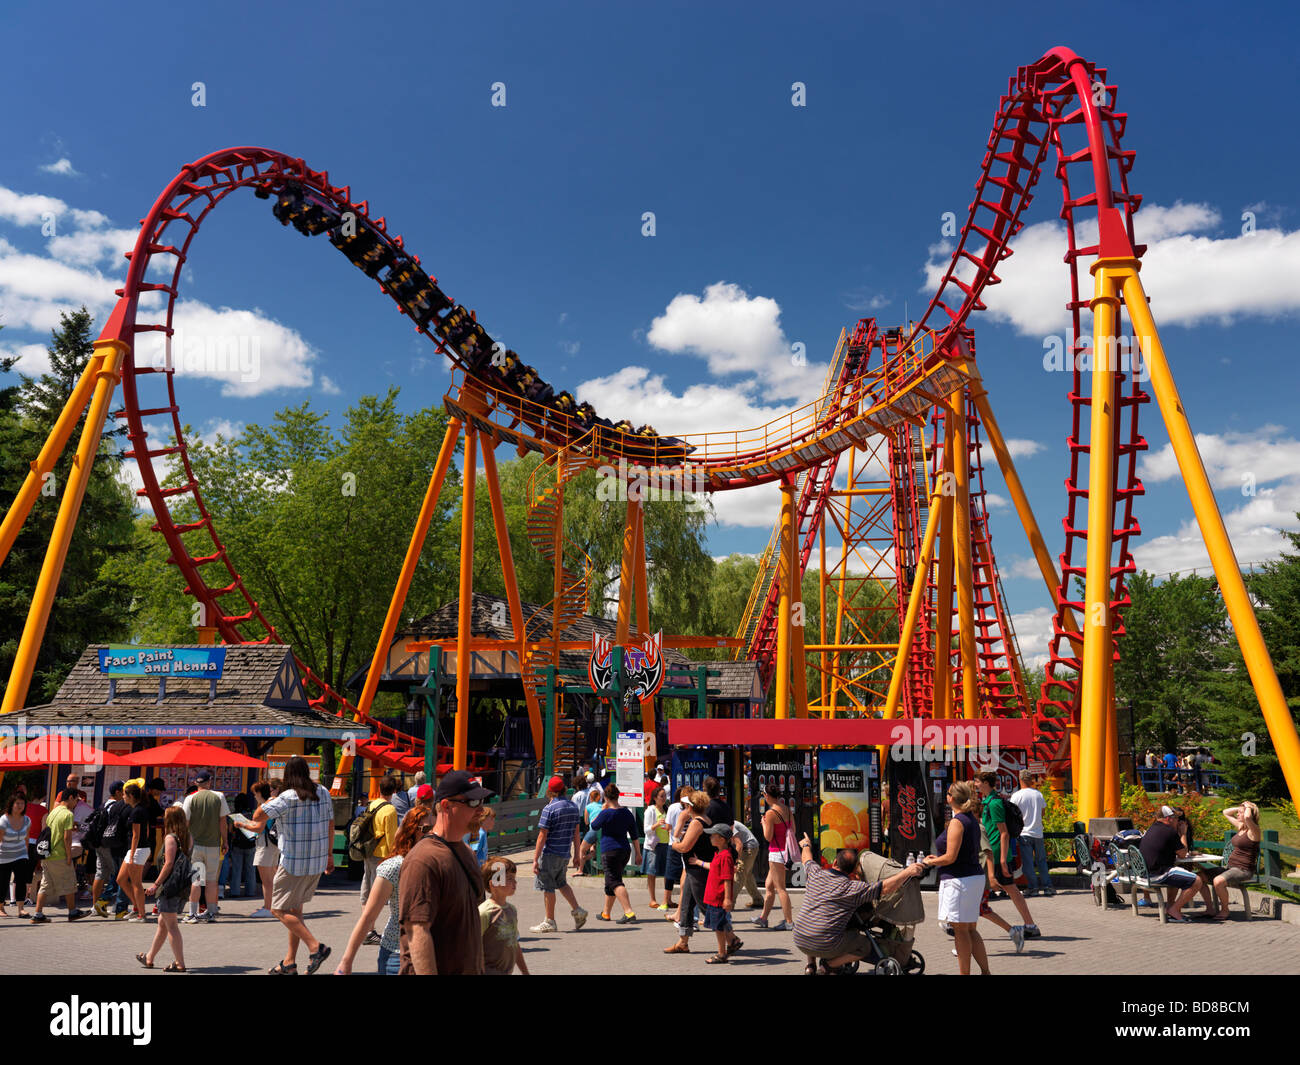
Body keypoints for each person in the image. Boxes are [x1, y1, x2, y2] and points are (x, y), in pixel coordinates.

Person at [244, 756, 335, 974]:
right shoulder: (322, 791)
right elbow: (331, 823)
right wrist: (330, 855)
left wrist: (270, 798)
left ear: (288, 775)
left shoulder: (287, 797)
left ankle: (316, 947)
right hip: (316, 861)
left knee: (277, 908)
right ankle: (289, 962)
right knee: (295, 911)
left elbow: (258, 816)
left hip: (293, 862)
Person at [399, 770, 492, 974]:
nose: (481, 810)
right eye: (473, 803)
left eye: (481, 802)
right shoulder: (423, 860)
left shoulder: (466, 852)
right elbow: (417, 930)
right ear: (446, 806)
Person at [795, 833, 924, 975]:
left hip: (800, 938)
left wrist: (806, 844)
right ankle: (828, 966)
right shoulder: (853, 888)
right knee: (865, 947)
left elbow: (807, 859)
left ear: (835, 863)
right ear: (853, 870)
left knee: (813, 920)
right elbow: (886, 887)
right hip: (825, 944)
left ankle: (810, 966)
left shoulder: (815, 874)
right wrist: (907, 872)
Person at [336, 805, 433, 974]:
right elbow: (368, 917)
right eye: (425, 829)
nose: (431, 834)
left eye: (434, 829)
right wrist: (346, 962)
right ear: (411, 831)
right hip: (397, 953)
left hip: (433, 952)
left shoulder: (440, 862)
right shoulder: (394, 866)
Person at [923, 781, 988, 975]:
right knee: (970, 929)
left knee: (960, 931)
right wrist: (939, 859)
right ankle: (985, 972)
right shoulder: (971, 820)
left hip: (960, 880)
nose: (946, 796)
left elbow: (951, 857)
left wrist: (930, 862)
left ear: (952, 798)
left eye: (948, 793)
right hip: (973, 877)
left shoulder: (957, 822)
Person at [975, 771, 1040, 937]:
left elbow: (1003, 833)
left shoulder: (994, 804)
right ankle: (1030, 925)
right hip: (995, 854)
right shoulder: (989, 802)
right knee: (1010, 890)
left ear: (985, 783)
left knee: (1005, 890)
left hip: (996, 854)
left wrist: (1003, 860)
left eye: (977, 781)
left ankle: (962, 928)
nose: (975, 784)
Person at [529, 775, 588, 933]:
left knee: (548, 886)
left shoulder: (549, 809)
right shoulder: (573, 807)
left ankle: (550, 920)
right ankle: (578, 910)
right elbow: (576, 833)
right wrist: (576, 854)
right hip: (564, 853)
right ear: (564, 789)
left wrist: (535, 859)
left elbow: (542, 836)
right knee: (561, 883)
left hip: (550, 853)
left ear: (550, 791)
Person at [138, 806, 193, 972]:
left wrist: (155, 884)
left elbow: (169, 863)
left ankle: (180, 963)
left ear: (170, 820)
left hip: (170, 887)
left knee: (171, 925)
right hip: (182, 886)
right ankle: (149, 957)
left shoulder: (171, 838)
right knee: (163, 922)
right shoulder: (188, 837)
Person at [664, 791, 713, 954]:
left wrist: (675, 845)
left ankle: (730, 937)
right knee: (686, 906)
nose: (685, 807)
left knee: (706, 906)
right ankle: (682, 942)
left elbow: (685, 847)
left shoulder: (696, 823)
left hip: (697, 869)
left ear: (691, 806)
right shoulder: (705, 820)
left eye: (686, 805)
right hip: (695, 868)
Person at [1138, 805, 1204, 922]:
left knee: (1177, 875)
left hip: (1146, 873)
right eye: (1176, 819)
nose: (1178, 821)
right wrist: (1183, 833)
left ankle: (1170, 907)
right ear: (1169, 819)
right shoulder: (1169, 831)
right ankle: (1174, 909)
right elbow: (1183, 854)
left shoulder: (1152, 828)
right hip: (1158, 874)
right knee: (1197, 880)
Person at [30, 790, 87, 924]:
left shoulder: (53, 812)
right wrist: (68, 856)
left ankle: (38, 914)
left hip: (47, 854)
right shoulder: (68, 814)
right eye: (76, 800)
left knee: (45, 884)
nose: (76, 803)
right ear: (71, 798)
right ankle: (72, 912)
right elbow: (67, 838)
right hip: (59, 854)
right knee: (69, 883)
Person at [181, 771, 228, 924]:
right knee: (212, 881)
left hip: (196, 846)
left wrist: (185, 843)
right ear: (209, 782)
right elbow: (223, 822)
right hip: (214, 845)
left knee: (196, 880)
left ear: (196, 783)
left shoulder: (190, 798)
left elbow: (185, 823)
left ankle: (192, 913)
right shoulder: (219, 797)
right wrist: (225, 841)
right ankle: (211, 912)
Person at [590, 785, 641, 923]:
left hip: (610, 850)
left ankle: (629, 912)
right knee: (611, 881)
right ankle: (606, 913)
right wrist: (638, 853)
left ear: (605, 797)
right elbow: (634, 835)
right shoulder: (627, 813)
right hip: (624, 850)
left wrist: (602, 810)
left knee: (615, 881)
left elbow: (594, 826)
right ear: (618, 796)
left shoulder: (606, 813)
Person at [359, 776, 400, 943]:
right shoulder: (390, 810)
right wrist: (395, 856)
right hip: (381, 855)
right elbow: (391, 838)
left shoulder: (372, 804)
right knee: (378, 895)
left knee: (367, 890)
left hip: (367, 851)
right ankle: (369, 931)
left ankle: (367, 930)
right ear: (394, 791)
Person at [700, 823, 743, 964]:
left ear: (722, 839)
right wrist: (698, 862)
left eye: (714, 835)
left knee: (718, 927)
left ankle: (721, 953)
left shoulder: (725, 856)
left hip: (719, 897)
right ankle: (734, 941)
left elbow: (727, 879)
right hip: (714, 897)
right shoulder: (719, 854)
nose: (710, 837)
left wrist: (727, 899)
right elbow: (715, 869)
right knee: (722, 922)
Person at [1211, 802, 1261, 920]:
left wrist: (1248, 807)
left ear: (1249, 814)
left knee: (1218, 881)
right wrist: (1240, 808)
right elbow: (1225, 812)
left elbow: (1248, 817)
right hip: (1230, 868)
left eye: (1240, 813)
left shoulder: (1254, 831)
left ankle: (1225, 910)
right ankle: (1209, 908)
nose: (1238, 814)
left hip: (1243, 870)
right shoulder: (1241, 827)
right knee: (1200, 877)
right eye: (1238, 812)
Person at [480, 856, 528, 975]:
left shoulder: (512, 910)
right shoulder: (485, 912)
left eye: (514, 878)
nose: (515, 882)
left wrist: (525, 972)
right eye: (510, 878)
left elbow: (514, 943)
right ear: (494, 884)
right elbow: (471, 947)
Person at [755, 783, 794, 931]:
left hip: (776, 852)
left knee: (781, 888)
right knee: (769, 885)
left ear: (766, 796)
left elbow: (768, 836)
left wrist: (764, 824)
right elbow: (793, 829)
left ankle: (789, 922)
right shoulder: (787, 810)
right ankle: (763, 918)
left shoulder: (770, 813)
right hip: (785, 850)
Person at [1009, 771, 1053, 898]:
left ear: (1020, 779)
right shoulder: (1038, 794)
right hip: (1038, 832)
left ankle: (1033, 888)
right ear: (1031, 780)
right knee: (1041, 861)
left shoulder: (1016, 796)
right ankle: (1047, 886)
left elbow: (1013, 815)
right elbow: (1042, 813)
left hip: (1024, 833)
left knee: (1028, 863)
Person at [90, 781, 130, 918]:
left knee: (100, 873)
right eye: (123, 791)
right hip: (111, 845)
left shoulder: (103, 805)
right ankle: (115, 907)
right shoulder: (117, 806)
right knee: (119, 875)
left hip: (99, 843)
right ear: (118, 792)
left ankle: (96, 905)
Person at [116, 783, 151, 921]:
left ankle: (142, 914)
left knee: (136, 883)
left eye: (124, 794)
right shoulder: (138, 809)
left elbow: (136, 835)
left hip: (138, 850)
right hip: (136, 849)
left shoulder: (137, 811)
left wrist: (132, 855)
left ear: (131, 796)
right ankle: (136, 908)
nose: (123, 796)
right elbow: (146, 831)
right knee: (121, 879)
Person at [248, 779, 281, 918]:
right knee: (272, 877)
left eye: (255, 793)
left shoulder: (264, 807)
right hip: (274, 844)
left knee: (266, 880)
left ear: (260, 793)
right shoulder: (274, 804)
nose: (254, 796)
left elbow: (259, 827)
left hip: (265, 844)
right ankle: (272, 906)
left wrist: (242, 825)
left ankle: (268, 908)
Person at [0, 793, 33, 918]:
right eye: (17, 803)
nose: (20, 806)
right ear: (12, 804)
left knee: (21, 881)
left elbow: (27, 838)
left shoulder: (27, 820)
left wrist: (26, 853)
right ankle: (1, 908)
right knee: (3, 882)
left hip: (21, 854)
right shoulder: (3, 820)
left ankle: (21, 909)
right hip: (4, 855)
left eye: (22, 803)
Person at [662, 785, 691, 915]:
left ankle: (665, 900)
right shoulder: (692, 810)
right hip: (688, 843)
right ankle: (677, 901)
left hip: (674, 843)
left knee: (670, 873)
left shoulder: (673, 808)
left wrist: (666, 828)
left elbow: (669, 827)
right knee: (684, 872)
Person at [224, 792, 258, 900]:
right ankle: (250, 891)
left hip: (237, 844)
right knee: (250, 869)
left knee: (236, 869)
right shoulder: (252, 813)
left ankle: (235, 891)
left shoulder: (234, 815)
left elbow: (230, 830)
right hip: (251, 844)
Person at [642, 786, 670, 909]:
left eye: (665, 796)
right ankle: (652, 899)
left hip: (666, 843)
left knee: (667, 872)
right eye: (661, 796)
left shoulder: (666, 810)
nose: (664, 798)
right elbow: (646, 829)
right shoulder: (650, 811)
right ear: (655, 798)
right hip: (654, 845)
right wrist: (656, 824)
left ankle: (667, 899)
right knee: (651, 872)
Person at [23, 782, 47, 909]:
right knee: (30, 871)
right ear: (43, 797)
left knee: (19, 870)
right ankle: (26, 897)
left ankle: (14, 898)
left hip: (21, 841)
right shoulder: (43, 810)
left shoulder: (24, 807)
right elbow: (44, 830)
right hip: (34, 843)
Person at [731, 819, 763, 909]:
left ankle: (730, 902)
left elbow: (739, 845)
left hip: (748, 848)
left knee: (740, 874)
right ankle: (758, 900)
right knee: (747, 875)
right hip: (749, 846)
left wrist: (735, 861)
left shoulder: (730, 824)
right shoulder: (726, 822)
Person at [577, 787, 603, 872]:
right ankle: (589, 856)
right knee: (594, 847)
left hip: (594, 830)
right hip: (603, 831)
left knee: (582, 849)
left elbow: (586, 822)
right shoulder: (603, 806)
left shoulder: (588, 807)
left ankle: (580, 870)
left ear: (590, 798)